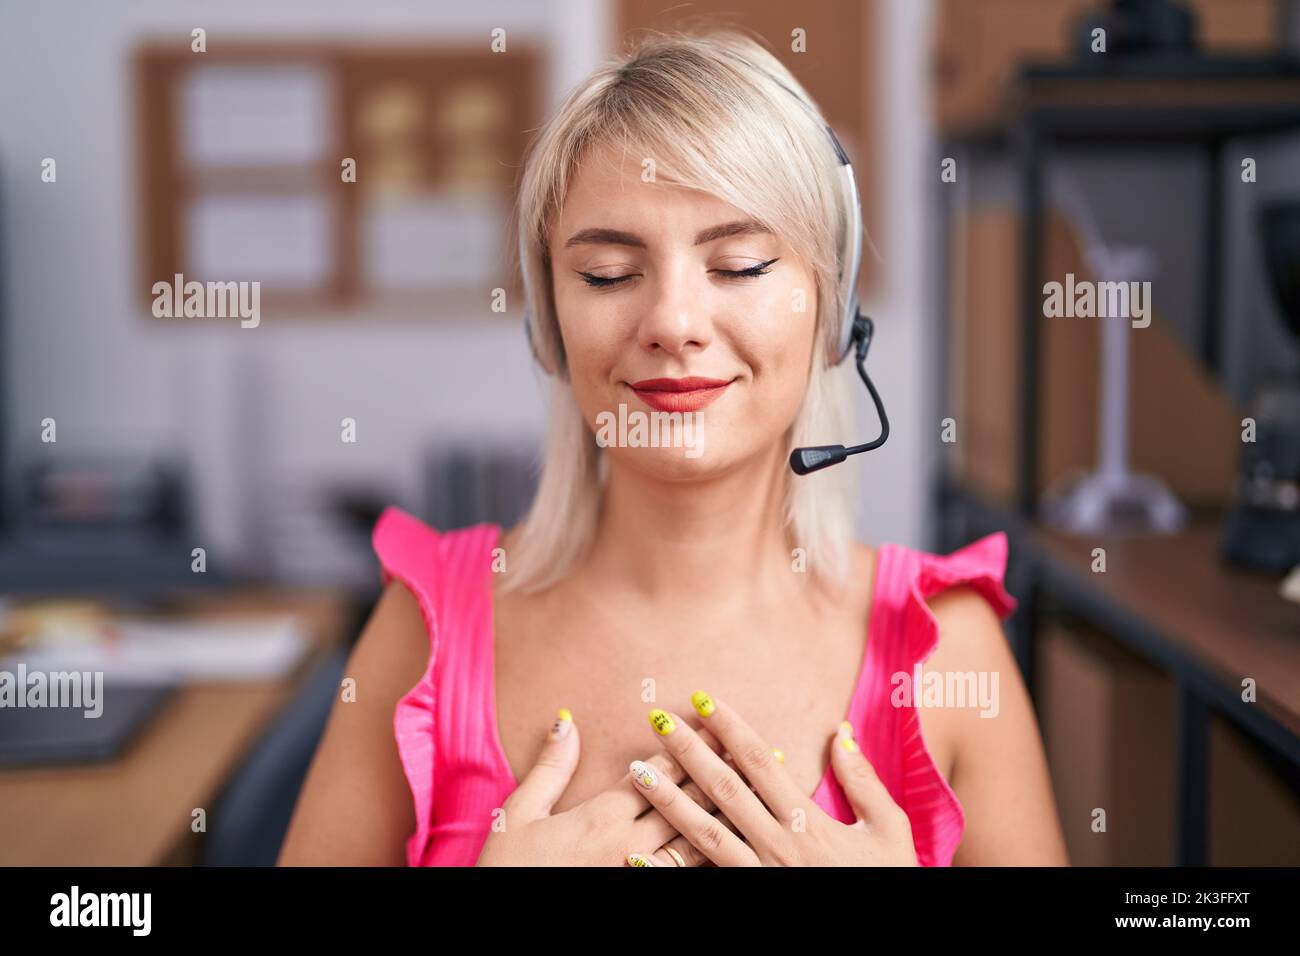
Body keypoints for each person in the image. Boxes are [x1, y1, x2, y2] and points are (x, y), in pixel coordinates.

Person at [279, 29, 1069, 867]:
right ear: (548, 326)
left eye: (740, 264)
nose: (674, 325)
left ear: (831, 312)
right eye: (609, 275)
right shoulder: (423, 627)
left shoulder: (947, 645)